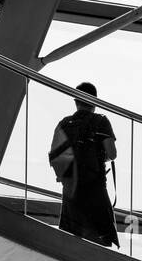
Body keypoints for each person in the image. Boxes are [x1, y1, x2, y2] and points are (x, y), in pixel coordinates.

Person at [49, 83, 120, 249]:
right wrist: (97, 159)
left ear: (76, 101)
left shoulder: (64, 124)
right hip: (95, 190)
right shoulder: (100, 121)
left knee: (69, 243)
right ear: (94, 101)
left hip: (70, 192)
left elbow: (56, 156)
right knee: (100, 244)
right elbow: (112, 153)